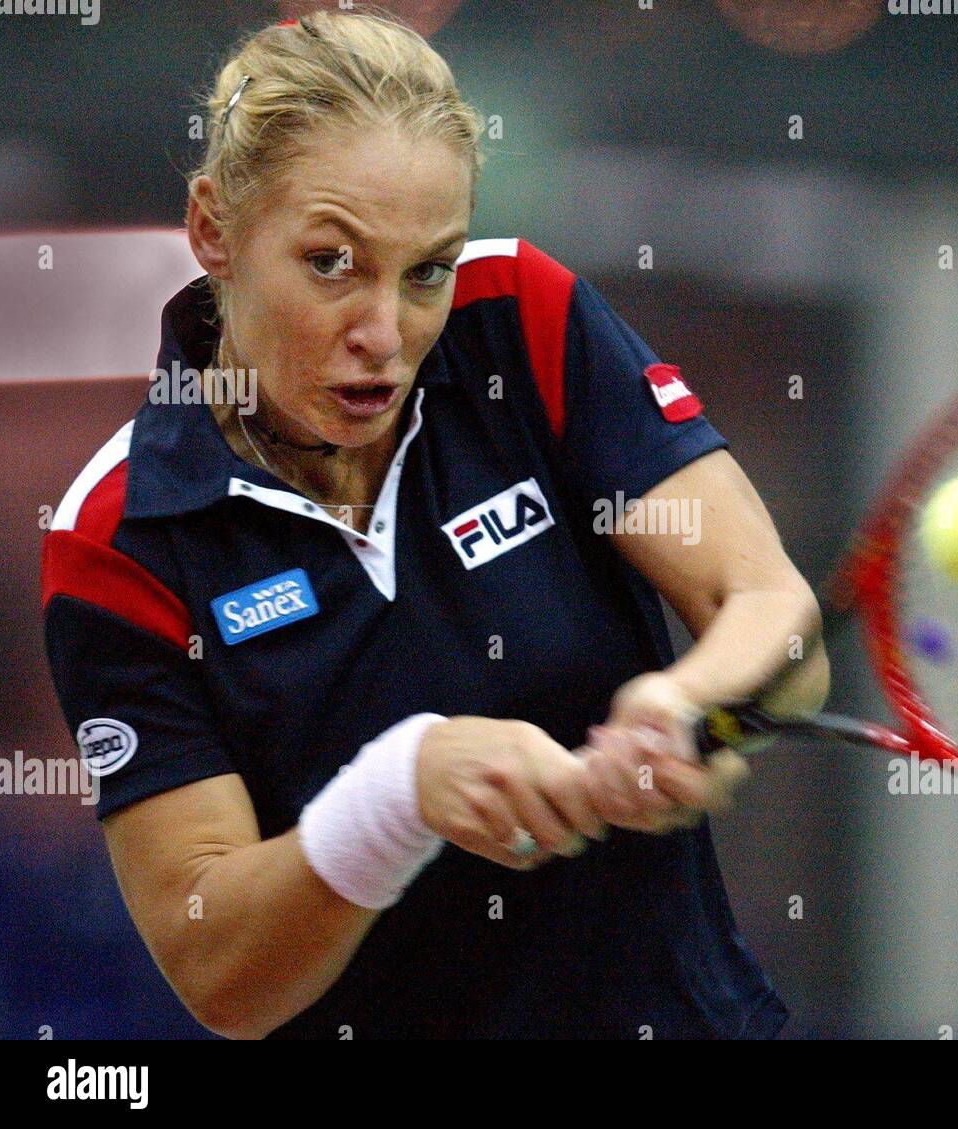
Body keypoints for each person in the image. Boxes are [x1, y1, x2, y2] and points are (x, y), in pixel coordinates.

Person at [41, 8, 829, 1039]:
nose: (384, 333)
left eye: (426, 271)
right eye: (331, 262)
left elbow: (774, 617)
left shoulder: (525, 320)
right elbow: (218, 969)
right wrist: (400, 791)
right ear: (212, 232)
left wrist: (683, 702)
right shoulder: (117, 539)